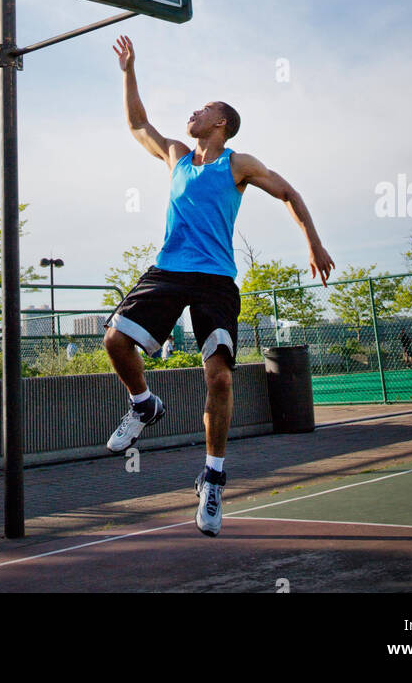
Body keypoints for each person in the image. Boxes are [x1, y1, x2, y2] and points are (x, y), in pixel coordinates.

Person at [103, 35, 334, 537]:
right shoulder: (178, 157)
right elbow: (137, 124)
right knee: (115, 340)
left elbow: (288, 191)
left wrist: (312, 243)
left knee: (221, 378)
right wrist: (128, 71)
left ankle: (212, 479)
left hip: (215, 279)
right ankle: (145, 405)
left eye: (203, 108)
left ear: (221, 122)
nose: (194, 111)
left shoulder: (238, 163)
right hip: (169, 268)